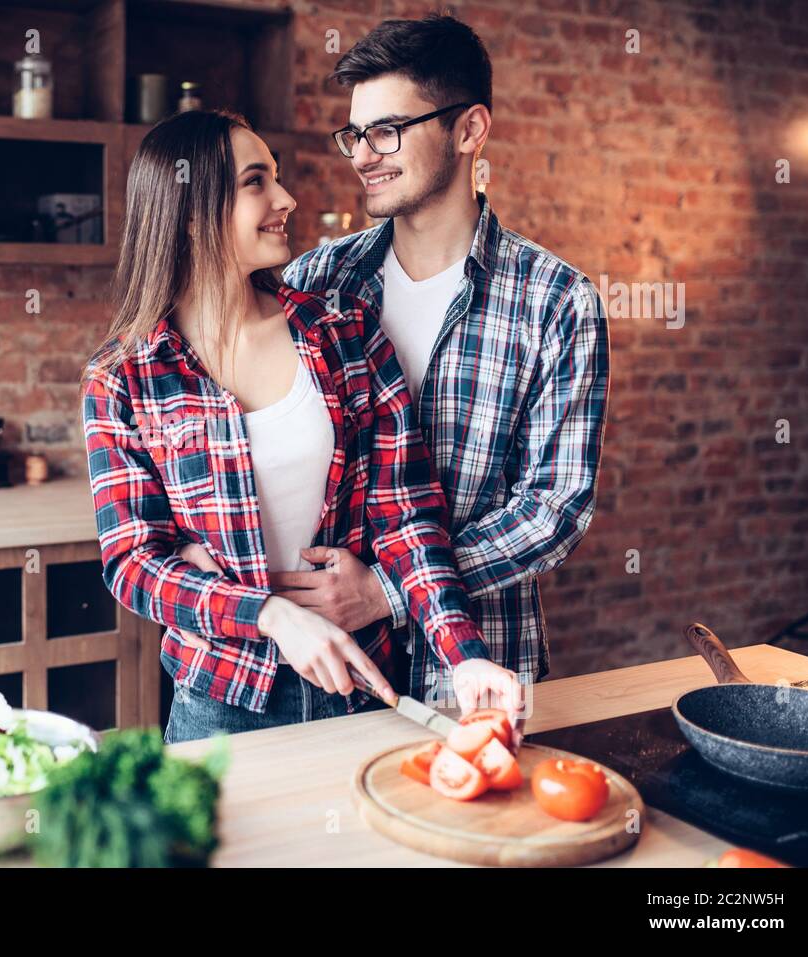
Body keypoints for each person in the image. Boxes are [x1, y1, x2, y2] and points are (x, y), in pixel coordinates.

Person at [81, 108, 522, 744]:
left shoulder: (344, 334)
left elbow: (406, 516)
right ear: (188, 209)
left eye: (277, 178)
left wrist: (464, 653)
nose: (286, 199)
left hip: (362, 684)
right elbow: (131, 562)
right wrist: (270, 614)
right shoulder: (124, 377)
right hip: (221, 700)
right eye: (256, 182)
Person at [259, 14, 610, 708]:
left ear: (469, 129)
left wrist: (388, 590)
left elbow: (554, 509)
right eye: (354, 135)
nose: (363, 155)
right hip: (333, 672)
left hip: (479, 667)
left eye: (386, 131)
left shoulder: (558, 300)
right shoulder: (314, 281)